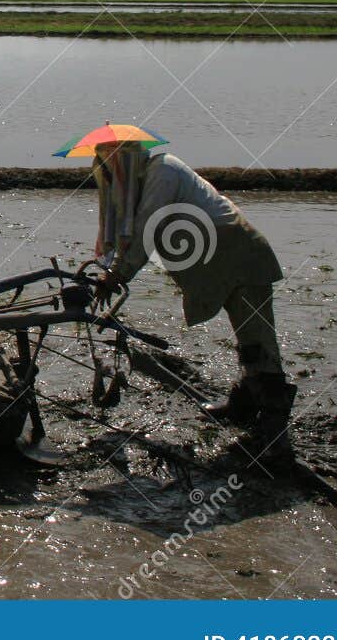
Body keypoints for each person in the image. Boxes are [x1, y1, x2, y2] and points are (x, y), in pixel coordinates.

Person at [91, 142, 294, 451]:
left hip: (238, 252)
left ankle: (273, 426)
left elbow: (146, 229)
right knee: (247, 335)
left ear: (124, 163)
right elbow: (131, 233)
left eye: (111, 169)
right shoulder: (148, 177)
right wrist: (113, 271)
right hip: (219, 255)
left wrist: (117, 276)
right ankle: (245, 404)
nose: (110, 178)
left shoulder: (163, 173)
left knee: (257, 337)